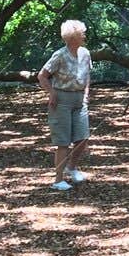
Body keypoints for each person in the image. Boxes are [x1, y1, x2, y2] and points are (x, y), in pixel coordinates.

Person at [38, 19, 93, 191]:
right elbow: (42, 76)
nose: (84, 35)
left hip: (79, 99)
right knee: (62, 141)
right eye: (82, 32)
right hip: (61, 100)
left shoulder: (85, 53)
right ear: (73, 36)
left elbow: (87, 74)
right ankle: (58, 180)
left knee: (82, 137)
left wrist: (86, 94)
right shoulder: (59, 55)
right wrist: (52, 93)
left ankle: (72, 167)